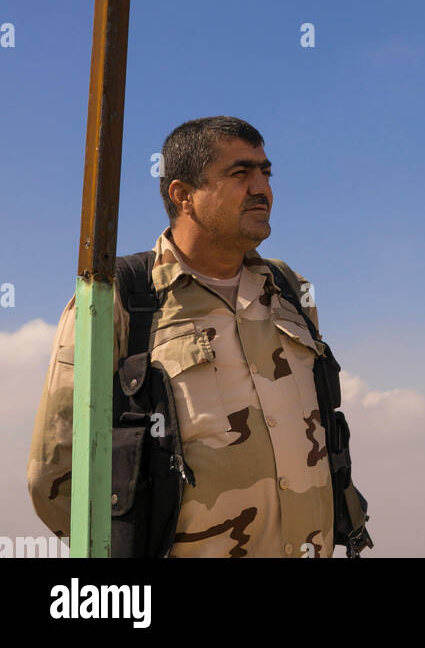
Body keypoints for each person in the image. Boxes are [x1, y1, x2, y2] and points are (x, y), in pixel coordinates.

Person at [28, 115, 354, 558]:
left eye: (266, 172)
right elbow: (56, 473)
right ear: (183, 195)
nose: (263, 189)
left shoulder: (290, 289)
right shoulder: (120, 297)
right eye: (241, 173)